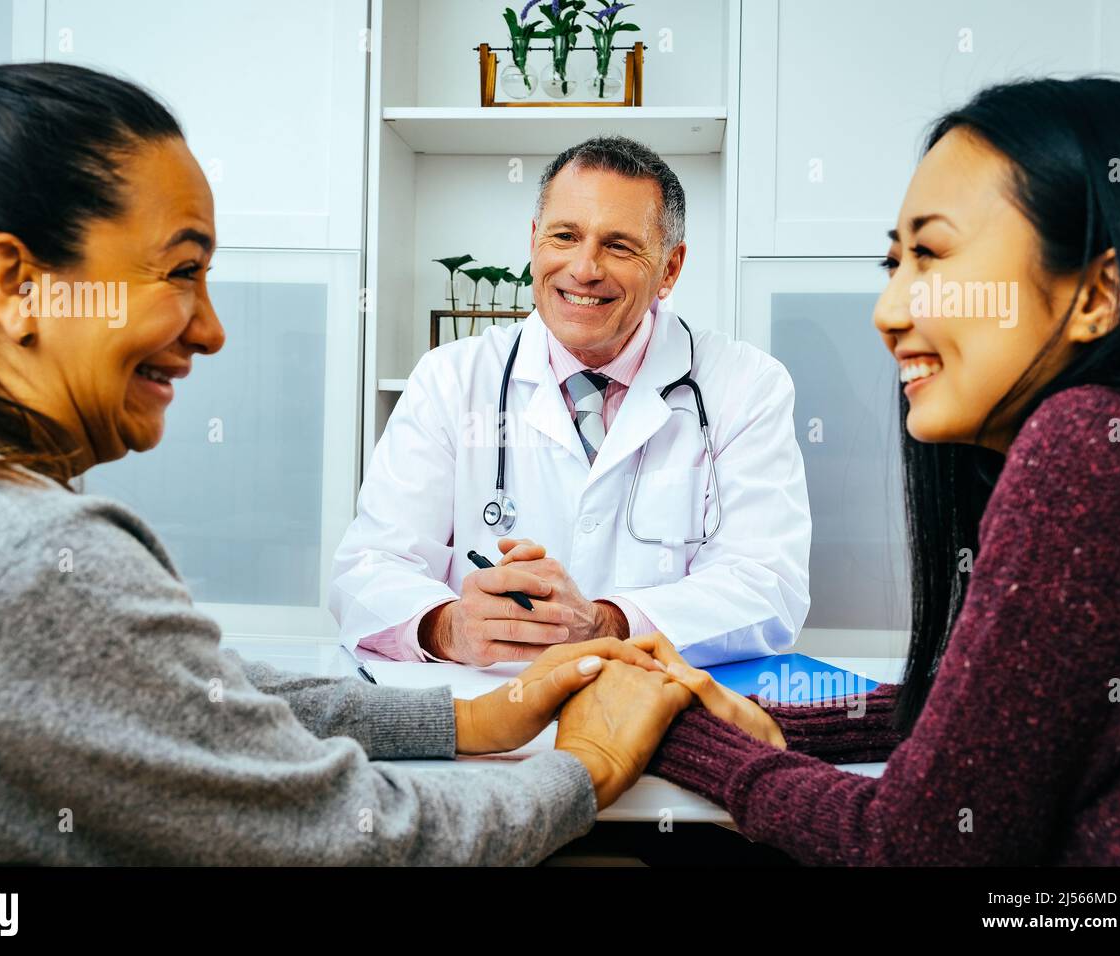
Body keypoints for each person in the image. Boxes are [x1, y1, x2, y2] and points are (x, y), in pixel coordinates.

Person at [0, 63, 693, 865]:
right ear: (15, 284)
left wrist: (471, 720)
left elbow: (198, 693)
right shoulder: (28, 562)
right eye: (182, 270)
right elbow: (352, 836)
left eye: (620, 245)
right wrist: (585, 765)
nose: (212, 329)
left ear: (667, 270)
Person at [643, 77, 1120, 865]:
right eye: (894, 263)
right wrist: (761, 719)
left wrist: (680, 738)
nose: (889, 311)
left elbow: (915, 845)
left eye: (932, 255)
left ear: (1097, 293)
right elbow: (989, 724)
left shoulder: (1092, 445)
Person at [331, 136, 812, 667]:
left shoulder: (747, 386)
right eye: (565, 236)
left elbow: (768, 587)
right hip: (487, 721)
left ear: (670, 269)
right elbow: (369, 568)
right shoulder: (451, 378)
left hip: (657, 717)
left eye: (620, 245)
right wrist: (447, 628)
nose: (585, 269)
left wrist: (601, 624)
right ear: (535, 240)